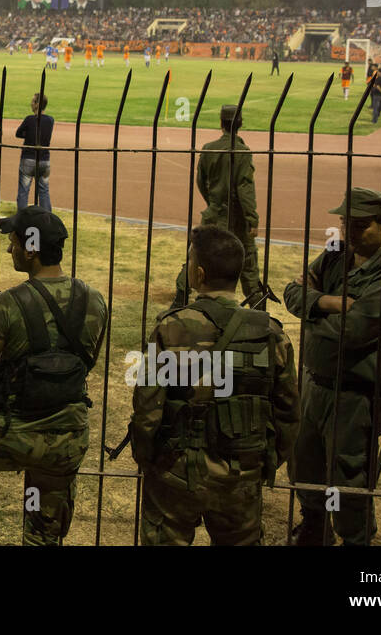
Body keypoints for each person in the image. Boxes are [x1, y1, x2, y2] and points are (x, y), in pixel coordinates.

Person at [0, 207, 108, 545]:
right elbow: (87, 362)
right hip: (67, 438)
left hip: (14, 435)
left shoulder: (8, 304)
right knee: (42, 531)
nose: (9, 248)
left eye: (12, 241)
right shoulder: (94, 300)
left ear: (30, 247)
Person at [129, 226, 299, 545]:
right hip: (240, 473)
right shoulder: (271, 333)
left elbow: (147, 409)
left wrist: (148, 459)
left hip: (176, 472)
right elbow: (288, 412)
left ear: (198, 273)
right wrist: (264, 461)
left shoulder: (172, 328)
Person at [284, 188, 381, 546]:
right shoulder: (335, 254)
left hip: (355, 395)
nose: (351, 232)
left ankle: (354, 539)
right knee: (304, 462)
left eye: (361, 225)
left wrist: (310, 312)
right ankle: (314, 524)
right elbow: (291, 292)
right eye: (346, 223)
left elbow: (350, 332)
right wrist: (330, 301)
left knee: (348, 477)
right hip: (314, 384)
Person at [176, 105, 261, 307]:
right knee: (248, 264)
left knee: (198, 255)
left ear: (221, 123)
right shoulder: (242, 152)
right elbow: (244, 187)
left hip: (214, 214)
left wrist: (213, 203)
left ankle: (180, 299)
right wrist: (252, 218)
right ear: (240, 124)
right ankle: (258, 308)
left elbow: (200, 180)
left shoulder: (209, 148)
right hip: (237, 219)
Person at [14, 92, 53, 211]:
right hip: (44, 160)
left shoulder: (29, 119)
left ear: (37, 104)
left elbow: (18, 133)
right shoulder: (51, 120)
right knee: (44, 191)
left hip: (28, 159)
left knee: (23, 191)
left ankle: (22, 219)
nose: (30, 103)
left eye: (32, 101)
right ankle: (47, 218)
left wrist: (29, 134)